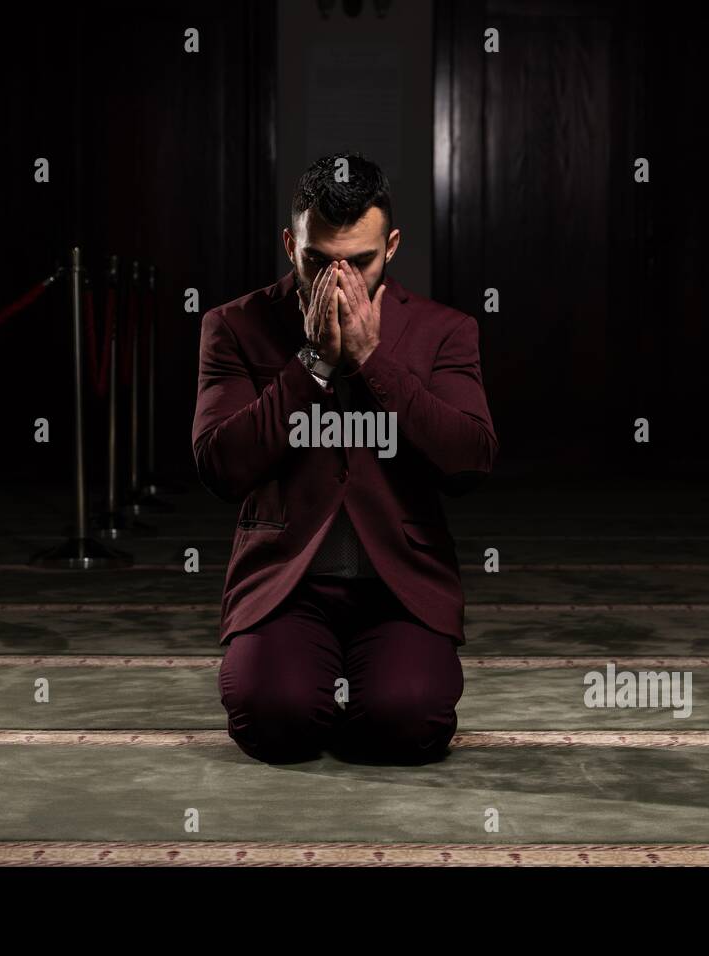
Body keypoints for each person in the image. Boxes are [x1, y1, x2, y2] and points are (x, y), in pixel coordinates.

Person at [191, 151, 498, 764]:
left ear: (392, 246)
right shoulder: (234, 326)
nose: (338, 282)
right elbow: (221, 466)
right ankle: (310, 690)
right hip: (286, 584)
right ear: (289, 244)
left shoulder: (445, 330)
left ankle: (373, 694)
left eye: (360, 262)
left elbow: (471, 460)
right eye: (317, 262)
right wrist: (313, 364)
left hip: (400, 586)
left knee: (407, 721)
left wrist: (370, 361)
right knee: (273, 721)